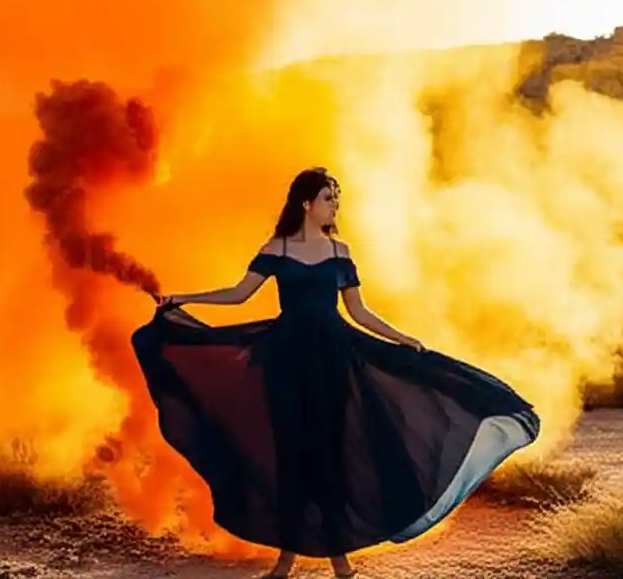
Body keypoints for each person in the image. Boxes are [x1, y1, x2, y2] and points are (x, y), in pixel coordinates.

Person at [133, 167, 540, 578]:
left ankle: (338, 558)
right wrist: (182, 297)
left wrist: (402, 338)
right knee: (291, 455)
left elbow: (358, 312)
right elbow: (238, 295)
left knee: (331, 455)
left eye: (336, 200)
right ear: (306, 204)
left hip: (335, 360)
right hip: (285, 361)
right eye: (328, 198)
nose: (334, 206)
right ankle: (287, 559)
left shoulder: (339, 252)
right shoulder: (278, 248)